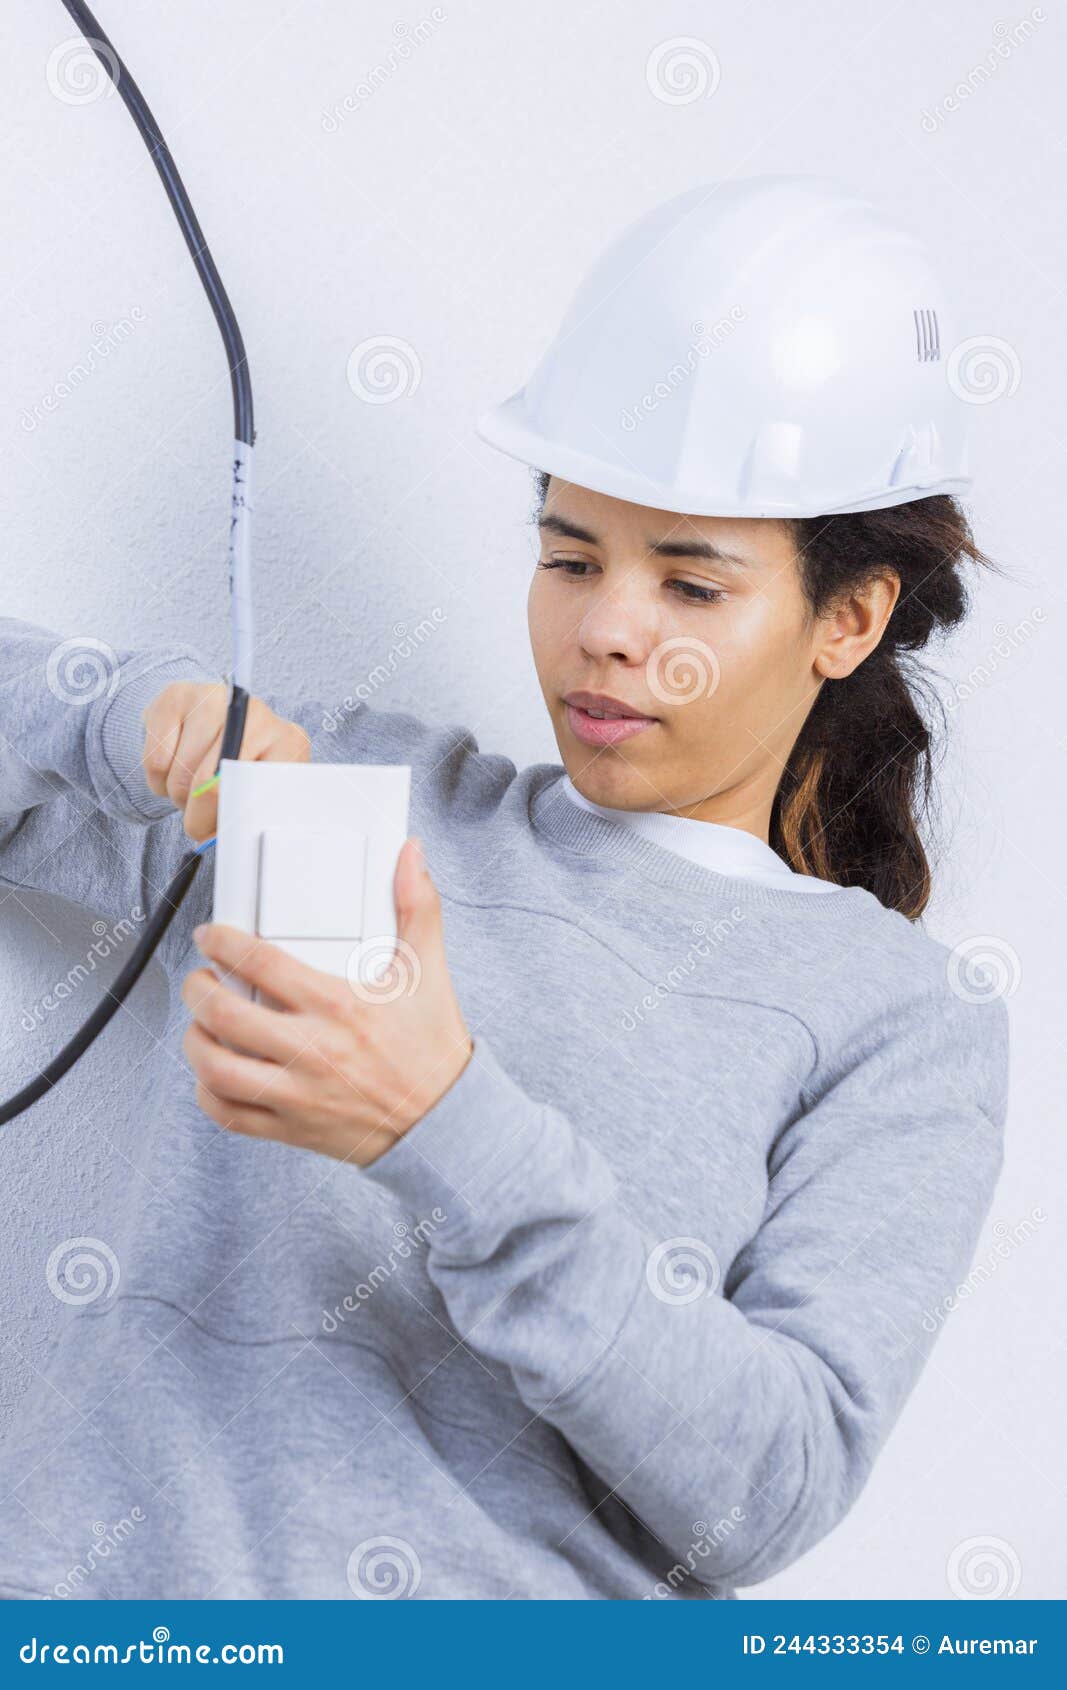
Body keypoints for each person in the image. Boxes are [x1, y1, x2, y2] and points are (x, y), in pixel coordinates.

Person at [0, 176, 1008, 1600]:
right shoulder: (347, 792)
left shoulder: (899, 1019)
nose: (607, 632)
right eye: (570, 556)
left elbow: (765, 1490)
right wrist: (114, 713)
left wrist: (439, 1124)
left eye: (692, 587)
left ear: (847, 617)